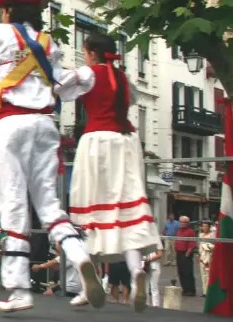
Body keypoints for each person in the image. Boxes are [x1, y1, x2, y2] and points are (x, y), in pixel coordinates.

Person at [0, 0, 105, 312]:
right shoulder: (49, 44)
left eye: (5, 11)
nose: (2, 16)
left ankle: (18, 288)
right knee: (48, 203)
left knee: (12, 202)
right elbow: (66, 83)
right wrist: (87, 75)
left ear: (11, 12)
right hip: (45, 126)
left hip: (11, 125)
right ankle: (79, 256)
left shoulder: (2, 35)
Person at [55, 32, 161, 312]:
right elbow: (132, 101)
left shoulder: (88, 74)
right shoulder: (123, 78)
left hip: (97, 141)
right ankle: (136, 272)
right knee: (126, 213)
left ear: (90, 53)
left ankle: (86, 282)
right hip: (126, 142)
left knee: (92, 213)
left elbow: (59, 87)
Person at [174, 216, 197, 296]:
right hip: (179, 253)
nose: (182, 224)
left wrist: (187, 255)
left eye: (184, 222)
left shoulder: (190, 232)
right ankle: (185, 289)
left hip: (186, 253)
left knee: (187, 272)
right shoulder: (179, 231)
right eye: (181, 222)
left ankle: (190, 290)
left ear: (188, 223)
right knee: (181, 272)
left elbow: (192, 244)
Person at [197, 221, 213, 297]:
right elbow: (199, 246)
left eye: (206, 226)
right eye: (203, 226)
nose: (204, 228)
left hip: (209, 256)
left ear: (209, 227)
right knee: (203, 275)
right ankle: (205, 292)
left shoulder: (212, 235)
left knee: (209, 275)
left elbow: (215, 246)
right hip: (202, 256)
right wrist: (199, 255)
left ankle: (210, 291)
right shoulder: (200, 235)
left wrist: (208, 246)